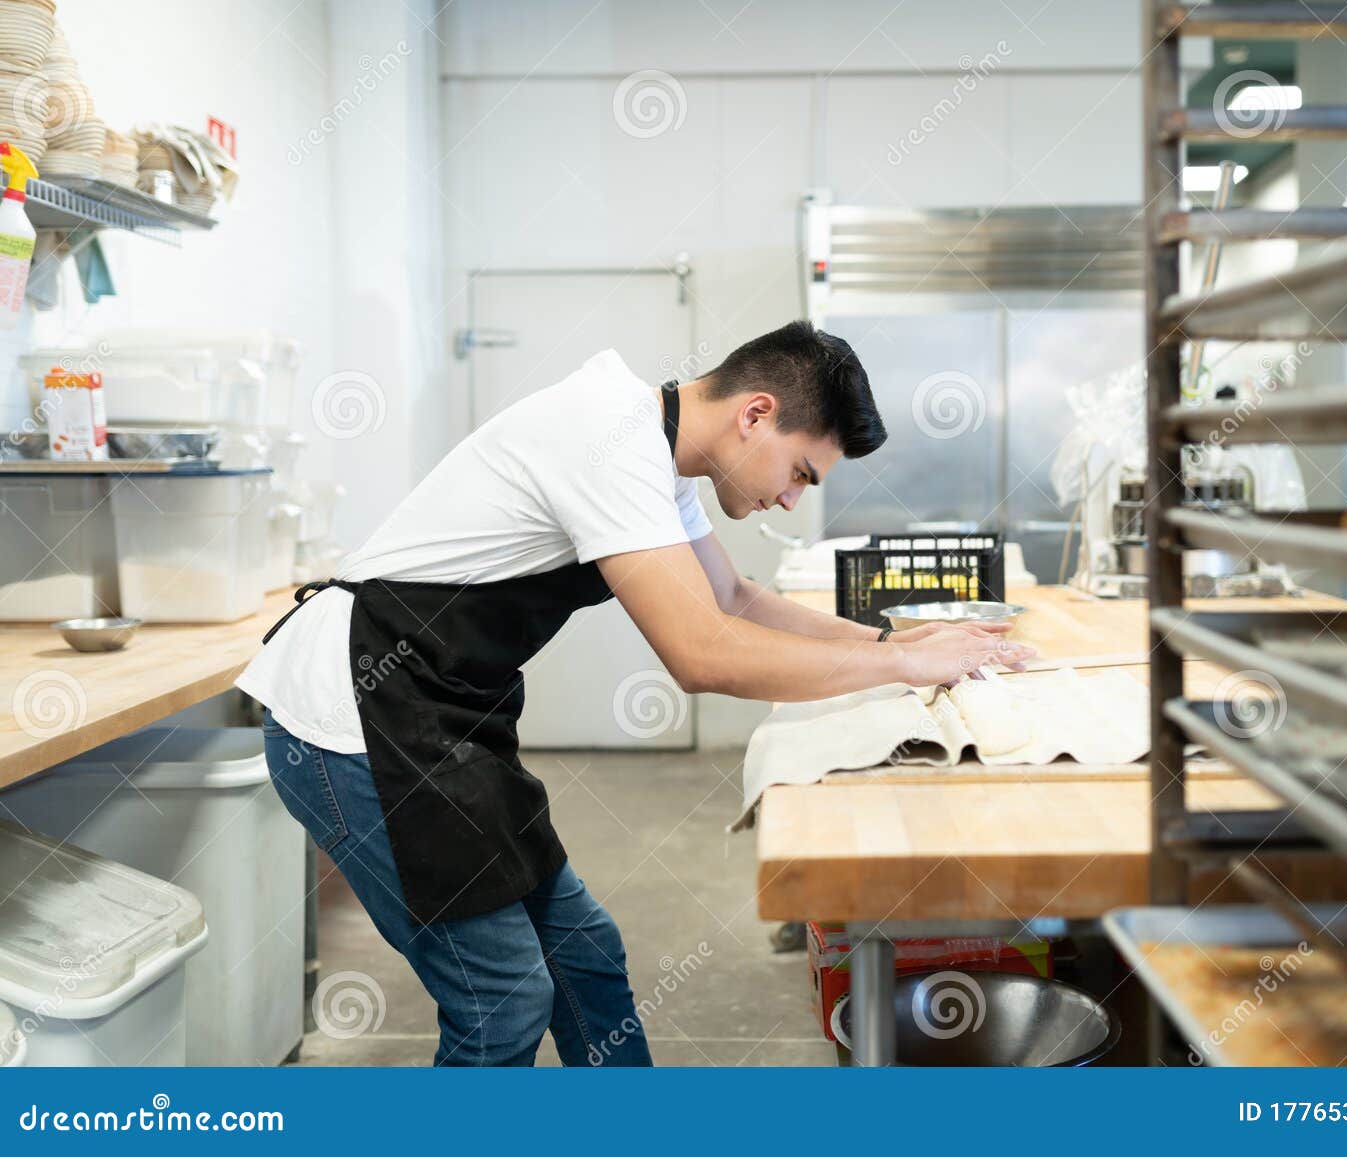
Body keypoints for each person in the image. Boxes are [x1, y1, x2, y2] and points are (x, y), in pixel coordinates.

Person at [237, 320, 1032, 1066]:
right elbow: (701, 652)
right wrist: (901, 671)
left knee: (585, 956)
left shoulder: (655, 449)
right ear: (756, 414)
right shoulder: (608, 437)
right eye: (800, 473)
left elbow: (734, 599)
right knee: (501, 1001)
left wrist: (898, 643)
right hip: (353, 719)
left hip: (444, 716)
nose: (793, 498)